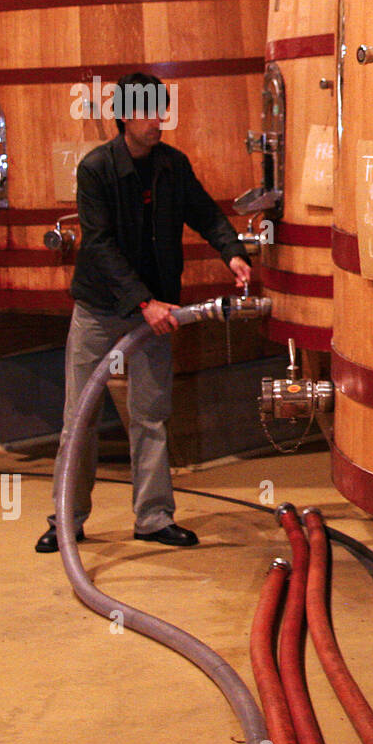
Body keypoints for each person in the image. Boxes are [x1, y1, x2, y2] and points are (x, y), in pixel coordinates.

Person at [35, 72, 251, 553]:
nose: (158, 122)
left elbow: (205, 213)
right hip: (101, 307)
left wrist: (232, 252)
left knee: (151, 415)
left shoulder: (173, 165)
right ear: (124, 116)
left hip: (156, 307)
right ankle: (66, 519)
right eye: (149, 112)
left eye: (161, 111)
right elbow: (99, 244)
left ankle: (153, 518)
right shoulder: (96, 169)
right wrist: (143, 302)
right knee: (80, 417)